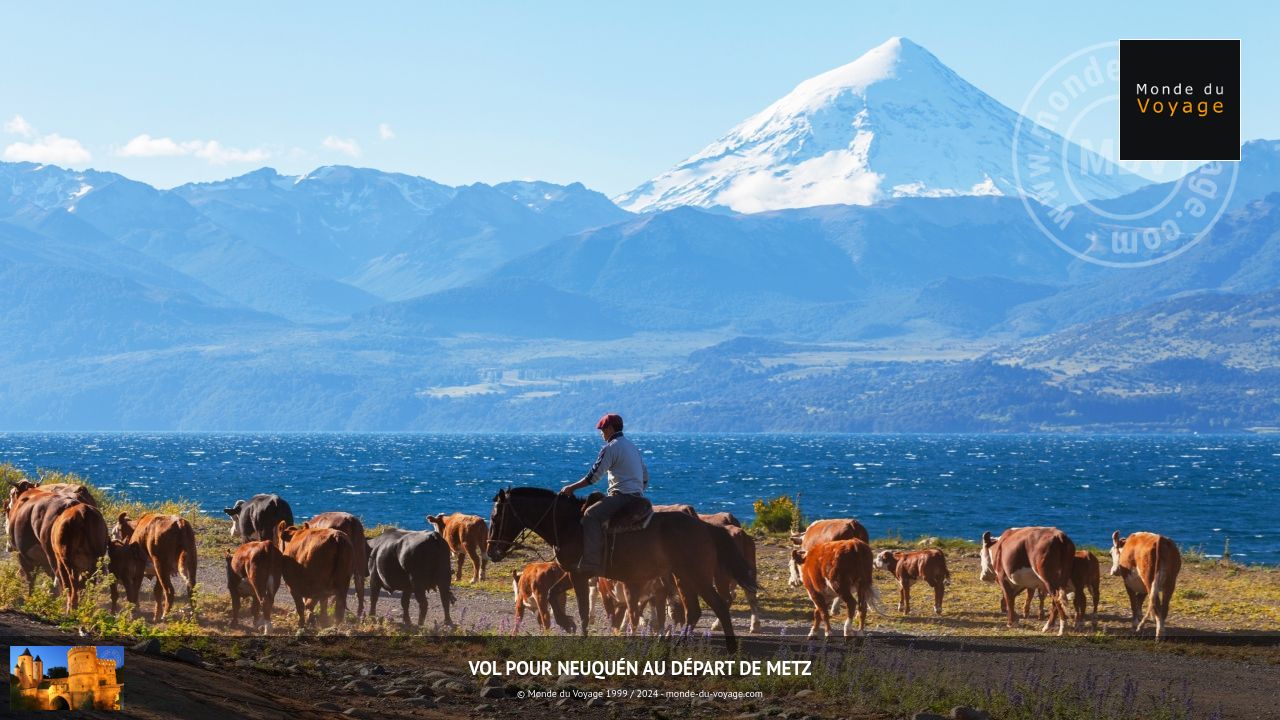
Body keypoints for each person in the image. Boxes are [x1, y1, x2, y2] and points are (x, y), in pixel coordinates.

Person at [559, 413, 650, 575]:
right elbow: (645, 478)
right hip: (638, 497)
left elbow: (593, 477)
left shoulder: (610, 448)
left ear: (610, 428)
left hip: (622, 497)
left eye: (602, 429)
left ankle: (591, 563)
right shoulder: (632, 447)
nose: (601, 433)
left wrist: (571, 488)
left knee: (590, 516)